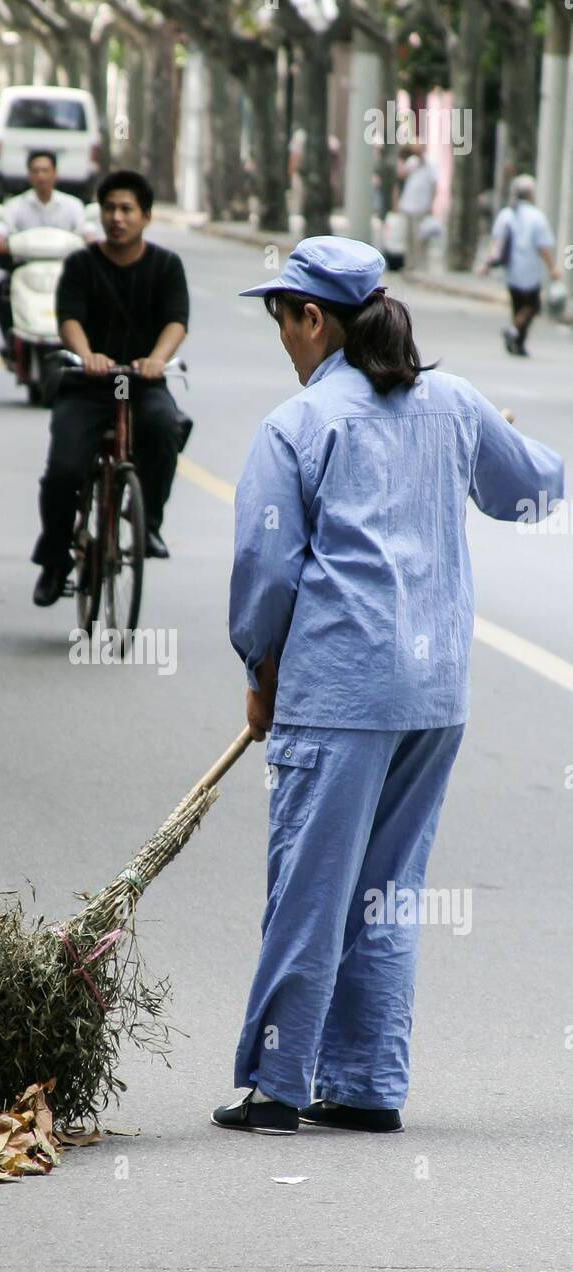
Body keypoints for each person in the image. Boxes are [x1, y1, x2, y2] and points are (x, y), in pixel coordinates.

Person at [213, 235, 564, 1137]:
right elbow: (532, 489)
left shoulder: (298, 425)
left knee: (311, 885)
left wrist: (260, 672)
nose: (281, 338)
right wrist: (510, 435)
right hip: (435, 692)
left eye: (282, 319)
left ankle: (280, 1085)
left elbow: (266, 569)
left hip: (340, 689)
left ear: (315, 319)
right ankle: (366, 1084)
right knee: (387, 888)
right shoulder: (449, 401)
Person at [31, 169, 189, 605]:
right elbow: (69, 319)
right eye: (110, 209)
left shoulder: (166, 266)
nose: (117, 218)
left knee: (163, 428)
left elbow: (177, 320)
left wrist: (157, 359)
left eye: (127, 209)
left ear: (146, 216)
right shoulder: (81, 264)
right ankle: (54, 559)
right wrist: (87, 356)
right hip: (88, 384)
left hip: (142, 382)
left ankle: (148, 523)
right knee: (64, 469)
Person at [0, 149, 87, 352]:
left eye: (45, 170)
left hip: (65, 272)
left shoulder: (73, 206)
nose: (41, 176)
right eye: (35, 171)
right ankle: (11, 341)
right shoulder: (14, 206)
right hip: (25, 268)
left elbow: (88, 233)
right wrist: (0, 243)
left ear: (55, 174)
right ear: (29, 175)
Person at [477, 173, 562, 357]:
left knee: (517, 307)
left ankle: (518, 342)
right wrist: (552, 268)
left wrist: (486, 263)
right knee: (533, 306)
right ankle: (514, 331)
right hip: (530, 270)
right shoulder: (536, 216)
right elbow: (543, 247)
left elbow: (496, 243)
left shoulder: (506, 214)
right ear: (530, 194)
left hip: (511, 270)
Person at [395, 143, 437, 271]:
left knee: (420, 237)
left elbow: (435, 184)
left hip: (421, 205)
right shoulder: (412, 162)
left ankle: (421, 266)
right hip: (408, 204)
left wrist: (431, 204)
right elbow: (401, 174)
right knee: (408, 237)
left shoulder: (431, 163)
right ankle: (409, 264)